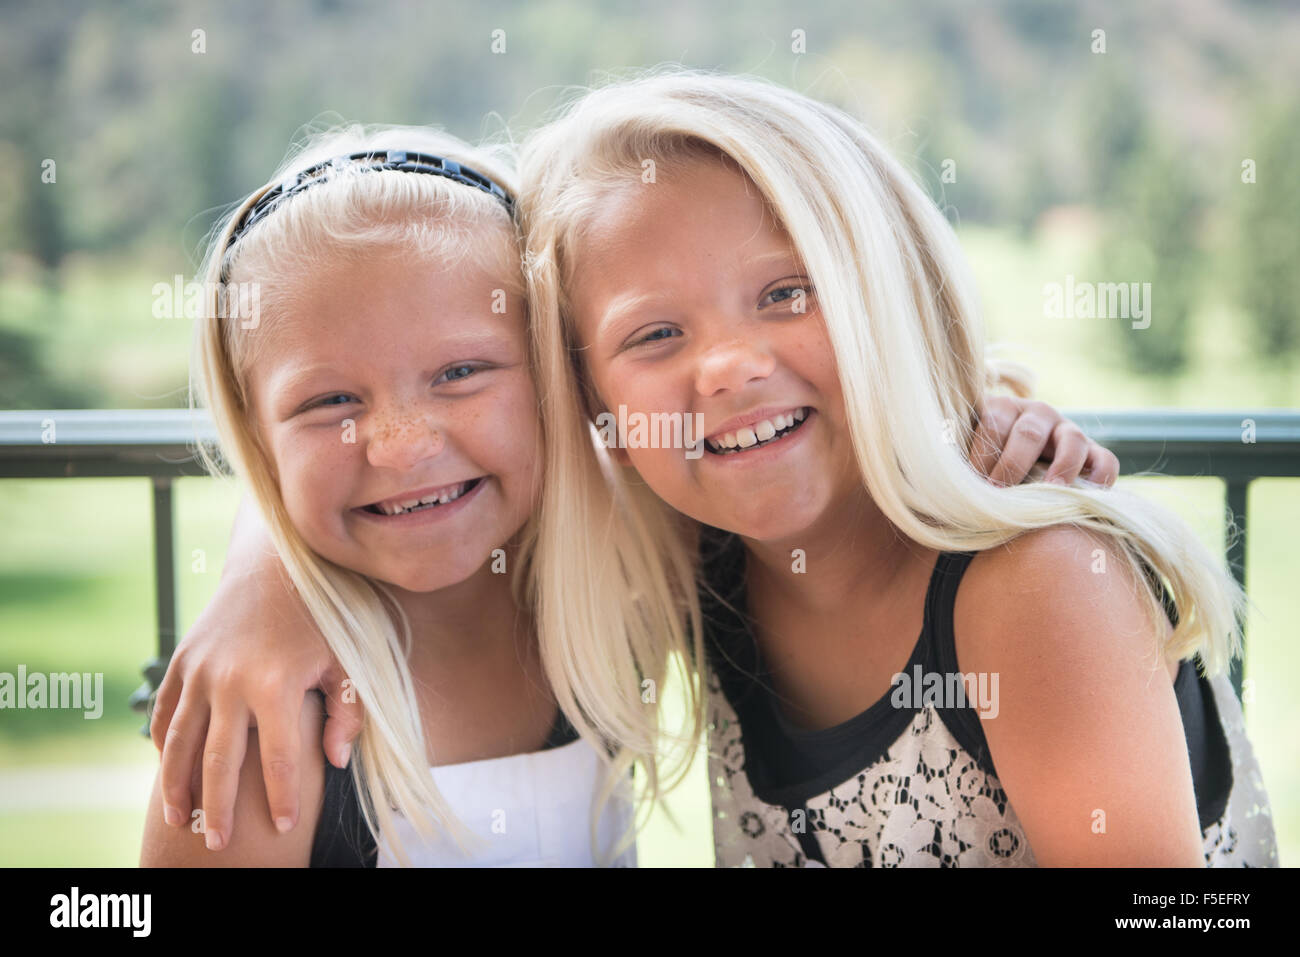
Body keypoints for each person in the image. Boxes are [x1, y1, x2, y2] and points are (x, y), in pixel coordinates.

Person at [513, 68, 1279, 866]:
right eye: (654, 334)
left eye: (786, 292)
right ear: (590, 401)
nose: (729, 365)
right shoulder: (695, 563)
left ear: (891, 297)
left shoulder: (1038, 584)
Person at [140, 126, 634, 867]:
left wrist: (258, 573)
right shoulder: (268, 728)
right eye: (331, 400)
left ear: (551, 374)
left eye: (461, 372)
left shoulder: (613, 578)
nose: (402, 444)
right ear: (257, 437)